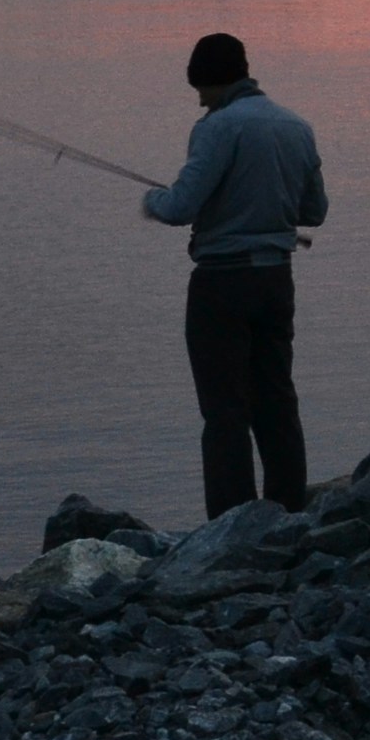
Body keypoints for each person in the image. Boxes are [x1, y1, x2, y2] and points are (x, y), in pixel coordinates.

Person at [142, 31, 326, 516]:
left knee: (224, 411)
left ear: (211, 82)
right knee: (276, 400)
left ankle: (232, 521)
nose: (199, 101)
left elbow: (180, 205)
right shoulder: (296, 127)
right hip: (276, 280)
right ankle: (288, 510)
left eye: (200, 90)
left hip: (221, 285)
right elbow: (316, 209)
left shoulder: (217, 128)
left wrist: (152, 200)